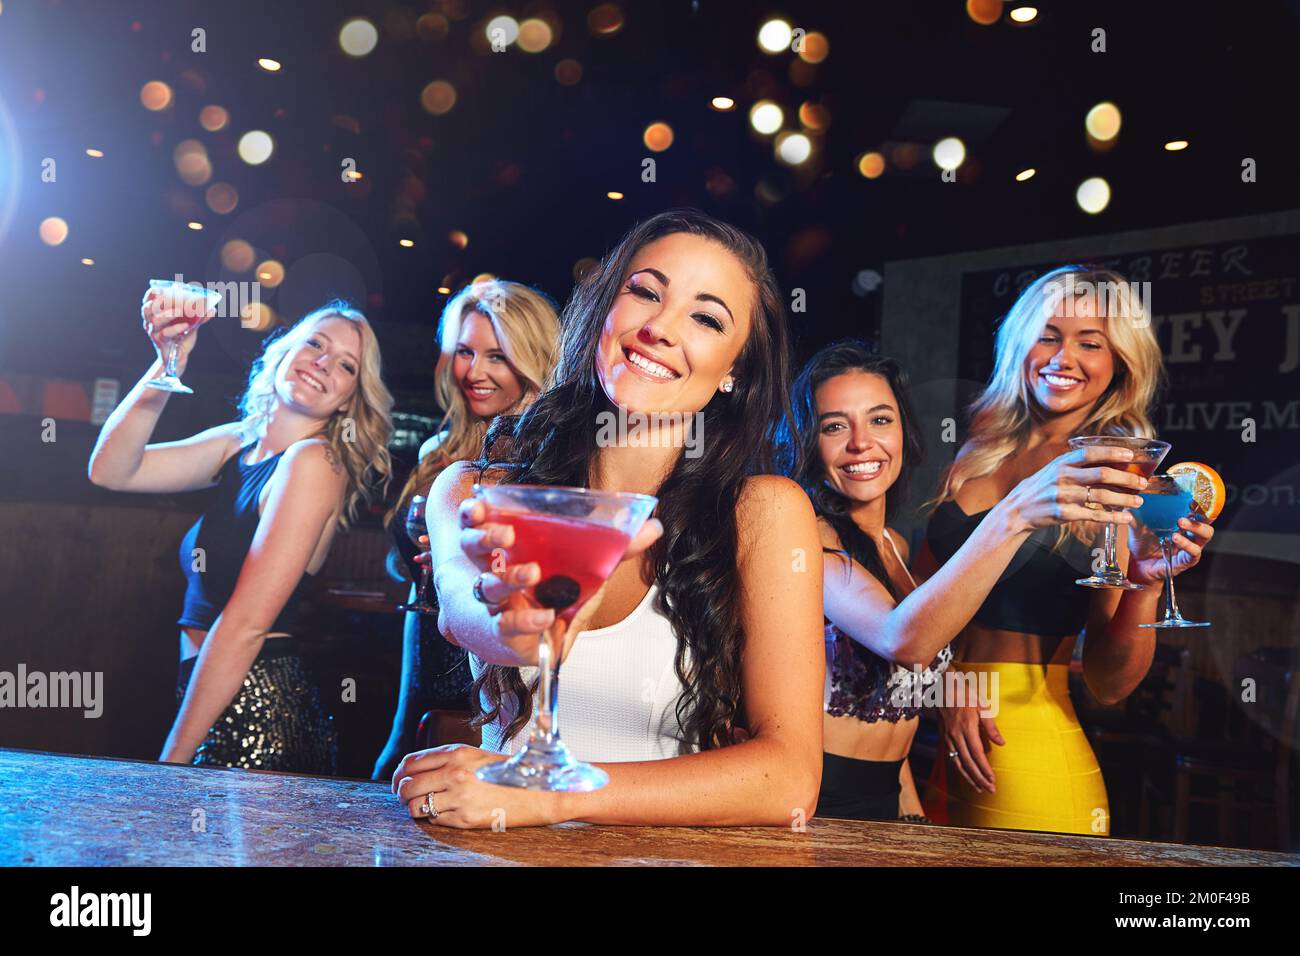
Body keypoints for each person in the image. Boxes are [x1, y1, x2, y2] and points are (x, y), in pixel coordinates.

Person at [390, 208, 825, 828]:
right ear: (604, 313)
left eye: (705, 318)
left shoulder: (763, 512)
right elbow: (466, 616)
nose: (659, 328)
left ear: (735, 370)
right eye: (645, 292)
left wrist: (544, 795)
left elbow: (788, 779)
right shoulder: (471, 489)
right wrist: (532, 627)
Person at [779, 340, 1146, 821]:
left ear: (904, 431)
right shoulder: (804, 539)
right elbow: (903, 639)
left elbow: (899, 718)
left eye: (880, 419)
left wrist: (910, 816)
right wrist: (1013, 513)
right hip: (819, 798)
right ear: (808, 441)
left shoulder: (896, 549)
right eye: (833, 426)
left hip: (888, 797)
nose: (860, 442)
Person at [920, 266, 1215, 835]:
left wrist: (1147, 585)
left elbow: (1109, 684)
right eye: (1049, 334)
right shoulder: (974, 450)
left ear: (1119, 362)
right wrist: (951, 681)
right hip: (940, 747)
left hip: (1026, 748)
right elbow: (918, 604)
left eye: (1091, 342)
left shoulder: (1121, 477)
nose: (1064, 357)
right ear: (1020, 342)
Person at [89, 288, 393, 773]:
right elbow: (112, 470)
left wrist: (171, 765)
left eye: (346, 366)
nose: (323, 363)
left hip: (260, 717)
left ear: (347, 401)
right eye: (315, 344)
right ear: (283, 351)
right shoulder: (239, 443)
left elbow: (245, 624)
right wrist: (169, 365)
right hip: (204, 700)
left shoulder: (314, 461)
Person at [373, 280, 560, 781]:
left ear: (533, 358)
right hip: (426, 641)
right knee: (397, 764)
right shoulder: (438, 449)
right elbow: (408, 571)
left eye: (497, 356)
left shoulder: (550, 460)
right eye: (465, 352)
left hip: (499, 655)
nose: (474, 372)